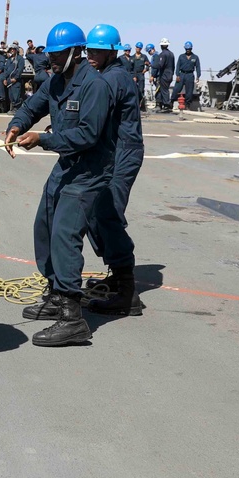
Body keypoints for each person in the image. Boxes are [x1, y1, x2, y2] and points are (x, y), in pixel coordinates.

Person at [5, 22, 112, 346]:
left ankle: (72, 315)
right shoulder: (55, 82)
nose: (51, 59)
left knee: (65, 232)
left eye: (58, 54)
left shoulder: (95, 86)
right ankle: (55, 291)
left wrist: (43, 139)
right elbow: (32, 107)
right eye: (50, 54)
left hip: (90, 170)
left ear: (75, 53)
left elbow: (88, 134)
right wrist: (16, 125)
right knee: (45, 223)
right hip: (67, 165)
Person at [80, 25, 142, 316]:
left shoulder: (113, 78)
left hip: (122, 154)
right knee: (99, 212)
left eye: (97, 51)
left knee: (107, 214)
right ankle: (118, 276)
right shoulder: (109, 75)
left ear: (112, 52)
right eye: (89, 50)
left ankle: (127, 294)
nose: (91, 55)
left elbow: (94, 113)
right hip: (115, 152)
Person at [171, 41, 201, 107]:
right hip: (181, 74)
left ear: (191, 48)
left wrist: (198, 76)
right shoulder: (181, 56)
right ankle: (172, 101)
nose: (187, 50)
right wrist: (177, 75)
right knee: (176, 88)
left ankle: (188, 104)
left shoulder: (195, 57)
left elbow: (198, 67)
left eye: (189, 49)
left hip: (190, 75)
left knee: (189, 90)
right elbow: (178, 66)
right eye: (186, 49)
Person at [155, 38, 176, 112]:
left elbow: (160, 65)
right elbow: (173, 66)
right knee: (165, 89)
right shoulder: (171, 54)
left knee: (164, 90)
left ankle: (167, 105)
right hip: (170, 74)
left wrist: (152, 65)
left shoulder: (163, 54)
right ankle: (163, 104)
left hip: (164, 74)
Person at [6, 43, 26, 111]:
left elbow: (20, 69)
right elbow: (6, 69)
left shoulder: (20, 59)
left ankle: (17, 108)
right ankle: (13, 107)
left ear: (16, 50)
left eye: (13, 49)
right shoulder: (9, 60)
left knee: (16, 95)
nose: (12, 50)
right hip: (9, 80)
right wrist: (5, 79)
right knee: (11, 95)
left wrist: (15, 78)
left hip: (16, 81)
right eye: (11, 49)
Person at [131, 42, 150, 112]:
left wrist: (145, 70)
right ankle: (134, 105)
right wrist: (133, 76)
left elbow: (148, 64)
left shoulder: (144, 57)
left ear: (141, 49)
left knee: (141, 89)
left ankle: (141, 105)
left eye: (139, 48)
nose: (137, 49)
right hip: (134, 74)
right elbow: (131, 67)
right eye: (137, 47)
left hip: (141, 74)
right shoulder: (132, 57)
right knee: (133, 89)